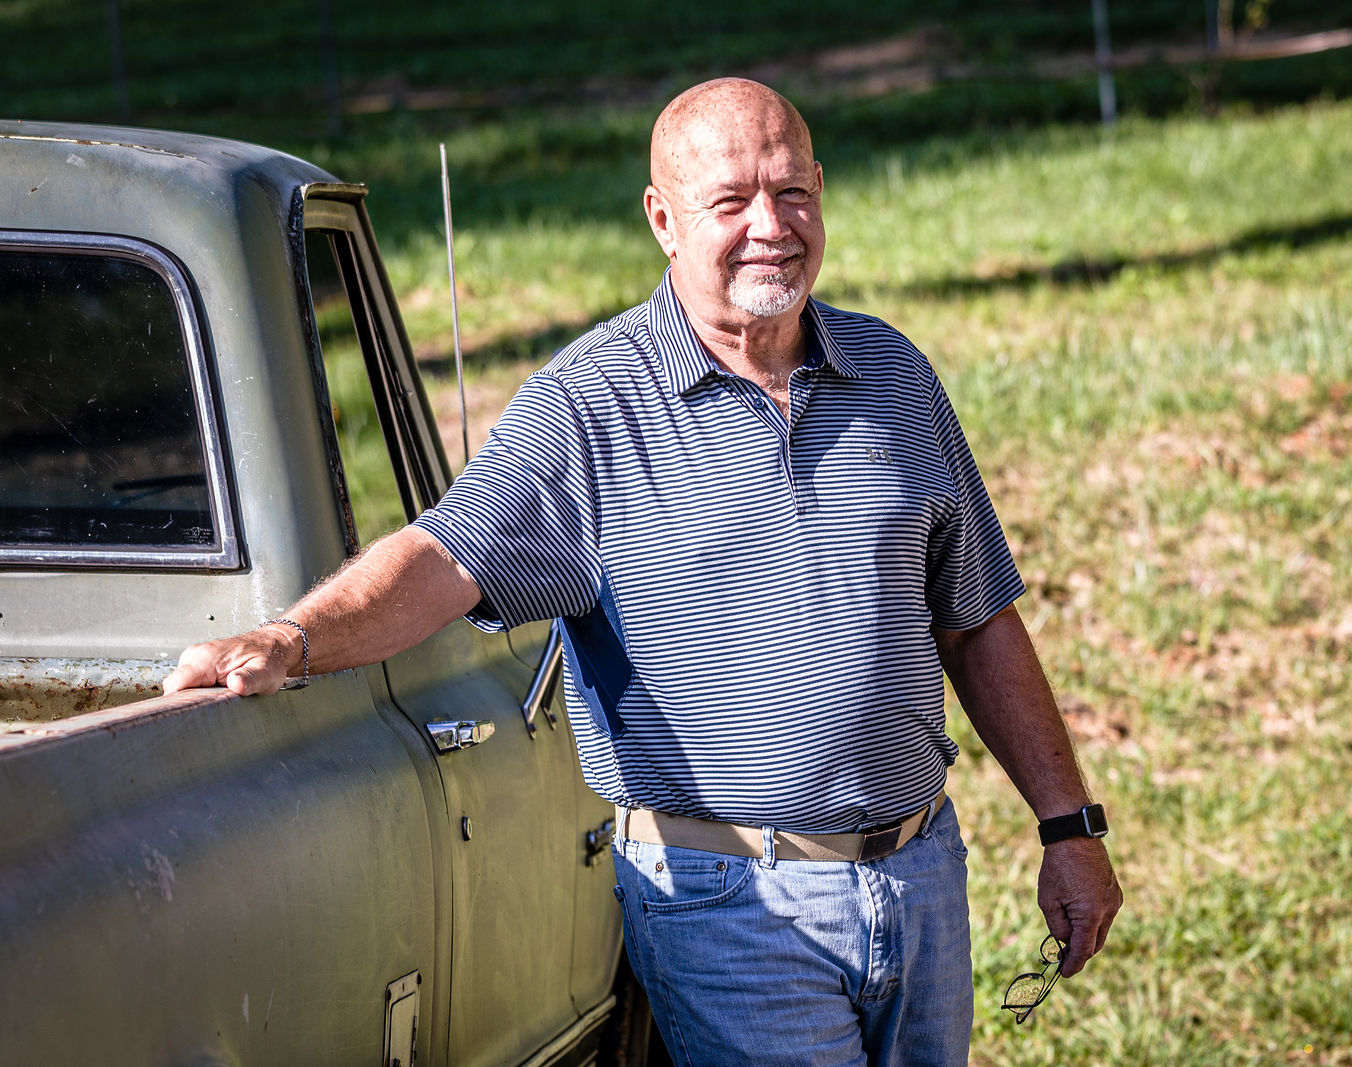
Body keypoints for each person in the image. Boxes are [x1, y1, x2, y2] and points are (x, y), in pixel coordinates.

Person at [165, 78, 1121, 1065]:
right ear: (663, 219)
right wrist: (292, 639)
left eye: (792, 192)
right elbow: (445, 555)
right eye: (731, 201)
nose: (771, 226)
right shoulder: (586, 405)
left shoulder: (893, 373)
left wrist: (1069, 825)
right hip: (731, 904)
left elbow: (977, 618)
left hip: (920, 871)